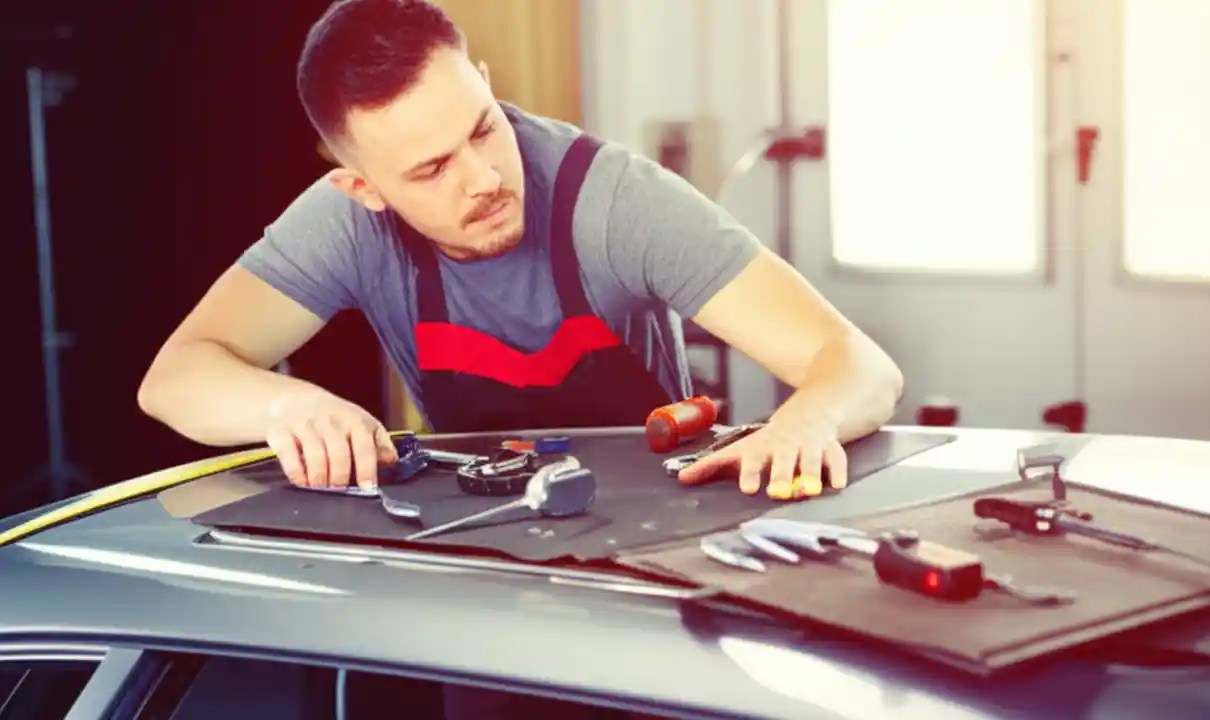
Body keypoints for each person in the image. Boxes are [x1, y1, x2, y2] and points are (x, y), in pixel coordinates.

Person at [137, 0, 904, 501]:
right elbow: (173, 379)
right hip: (482, 533)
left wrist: (808, 418)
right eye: (431, 168)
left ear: (484, 80)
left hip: (658, 527)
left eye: (481, 127)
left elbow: (861, 366)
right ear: (364, 187)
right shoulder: (345, 222)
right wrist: (286, 403)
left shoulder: (615, 202)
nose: (482, 179)